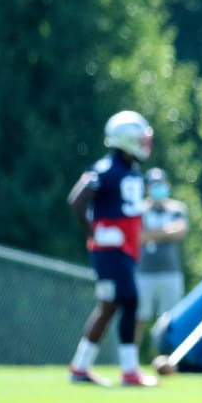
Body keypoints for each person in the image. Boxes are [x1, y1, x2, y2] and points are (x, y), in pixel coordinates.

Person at [66, 110, 158, 387]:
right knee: (129, 300)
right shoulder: (105, 169)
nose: (144, 143)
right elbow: (76, 201)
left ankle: (80, 368)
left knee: (109, 306)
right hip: (110, 249)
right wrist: (95, 231)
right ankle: (129, 371)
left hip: (125, 248)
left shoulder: (131, 169)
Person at [136, 167, 190, 356]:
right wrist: (165, 232)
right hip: (143, 272)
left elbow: (180, 231)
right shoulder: (139, 209)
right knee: (138, 318)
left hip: (170, 272)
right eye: (153, 185)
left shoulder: (177, 208)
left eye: (161, 184)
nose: (157, 188)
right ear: (147, 187)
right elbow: (137, 237)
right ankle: (131, 360)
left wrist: (152, 235)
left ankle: (167, 358)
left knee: (169, 320)